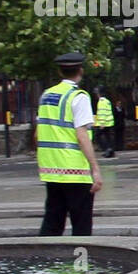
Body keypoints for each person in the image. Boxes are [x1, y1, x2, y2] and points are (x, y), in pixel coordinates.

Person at [37, 51, 103, 236]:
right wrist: (95, 168)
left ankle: (47, 260)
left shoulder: (46, 95)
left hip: (51, 168)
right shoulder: (79, 97)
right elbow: (82, 135)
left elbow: (38, 132)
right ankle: (80, 262)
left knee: (52, 221)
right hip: (75, 170)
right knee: (81, 224)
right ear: (80, 71)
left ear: (60, 72)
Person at [94, 87, 116, 158]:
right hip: (109, 123)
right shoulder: (107, 101)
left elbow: (102, 113)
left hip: (104, 123)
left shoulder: (101, 102)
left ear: (98, 94)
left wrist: (102, 123)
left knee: (97, 136)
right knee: (108, 137)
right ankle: (111, 151)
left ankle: (106, 149)